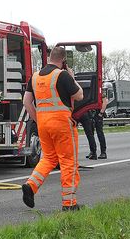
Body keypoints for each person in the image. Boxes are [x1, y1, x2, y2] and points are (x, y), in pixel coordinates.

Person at [21, 46, 84, 211]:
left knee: (48, 158)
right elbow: (79, 95)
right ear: (63, 61)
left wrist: (39, 119)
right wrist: (72, 77)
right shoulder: (62, 75)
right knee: (68, 161)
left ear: (49, 57)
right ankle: (69, 204)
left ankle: (31, 185)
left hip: (43, 125)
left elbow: (27, 102)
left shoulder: (34, 77)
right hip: (62, 124)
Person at [80, 93, 107, 160]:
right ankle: (92, 151)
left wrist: (101, 113)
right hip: (90, 113)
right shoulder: (89, 91)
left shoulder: (98, 90)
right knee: (90, 134)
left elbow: (105, 101)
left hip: (98, 113)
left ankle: (103, 152)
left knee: (99, 133)